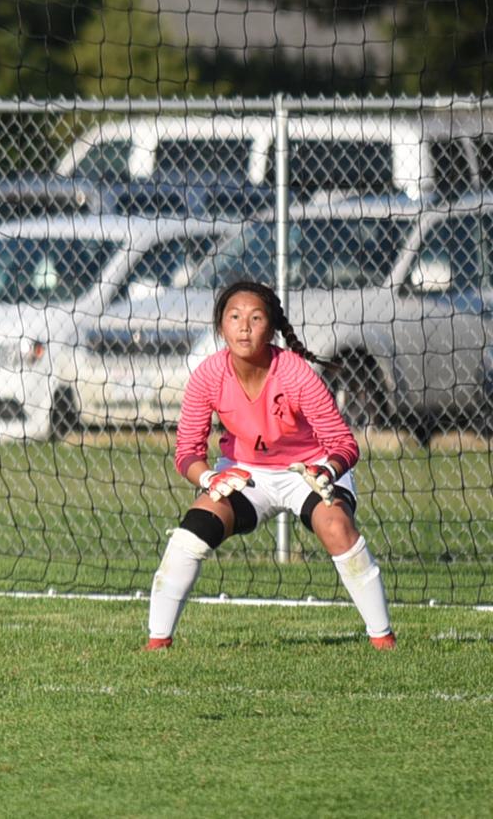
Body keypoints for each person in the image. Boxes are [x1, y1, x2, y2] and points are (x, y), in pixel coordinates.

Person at [146, 279, 393, 651]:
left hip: (307, 471)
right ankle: (157, 643)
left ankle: (383, 638)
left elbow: (343, 443)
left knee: (337, 526)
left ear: (272, 328)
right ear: (221, 326)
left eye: (256, 317)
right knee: (190, 533)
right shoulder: (208, 376)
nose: (244, 326)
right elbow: (186, 453)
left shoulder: (295, 372)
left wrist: (327, 473)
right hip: (245, 474)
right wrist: (211, 476)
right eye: (234, 316)